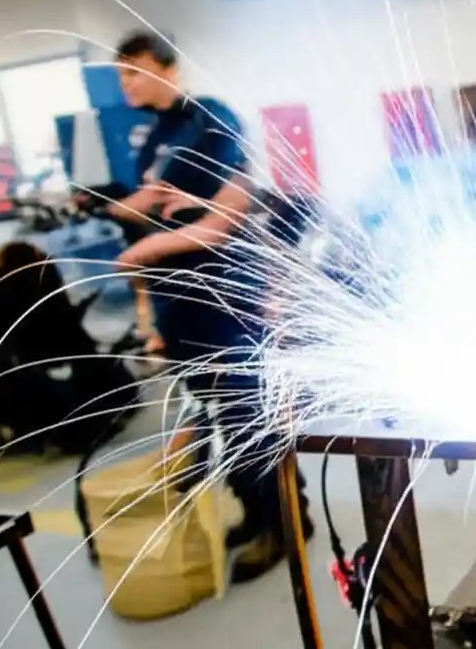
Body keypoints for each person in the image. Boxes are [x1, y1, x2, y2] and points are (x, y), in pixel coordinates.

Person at [105, 30, 308, 582]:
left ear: (168, 69)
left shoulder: (210, 120)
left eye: (136, 71)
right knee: (217, 413)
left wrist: (151, 244)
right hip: (182, 303)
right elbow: (159, 205)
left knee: (250, 413)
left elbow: (226, 217)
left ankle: (287, 523)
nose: (127, 83)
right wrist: (129, 210)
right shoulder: (154, 137)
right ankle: (255, 509)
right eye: (120, 74)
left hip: (224, 296)